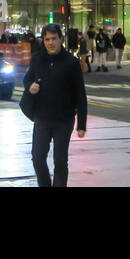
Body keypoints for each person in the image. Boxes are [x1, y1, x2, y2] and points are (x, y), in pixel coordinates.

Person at [23, 23, 88, 187]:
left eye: (54, 39)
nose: (50, 42)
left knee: (60, 161)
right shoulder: (37, 59)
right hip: (42, 118)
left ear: (61, 39)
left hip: (63, 120)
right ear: (43, 41)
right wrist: (30, 86)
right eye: (47, 39)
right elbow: (27, 78)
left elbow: (80, 94)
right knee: (37, 158)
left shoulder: (71, 62)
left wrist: (81, 124)